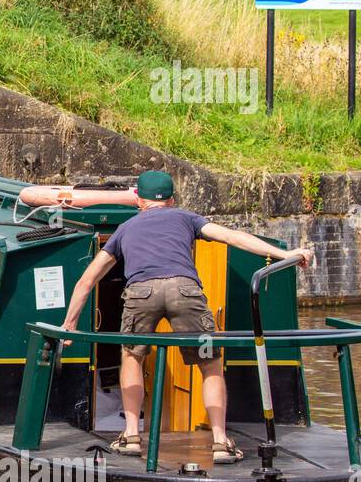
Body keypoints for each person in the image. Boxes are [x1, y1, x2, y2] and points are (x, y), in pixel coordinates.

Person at [59, 169, 314, 464]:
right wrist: (285, 255)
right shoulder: (186, 218)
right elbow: (232, 237)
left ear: (138, 200)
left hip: (142, 294)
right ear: (172, 199)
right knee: (210, 364)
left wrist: (70, 323)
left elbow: (87, 280)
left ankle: (130, 436)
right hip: (185, 291)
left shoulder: (124, 230)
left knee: (132, 358)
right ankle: (219, 441)